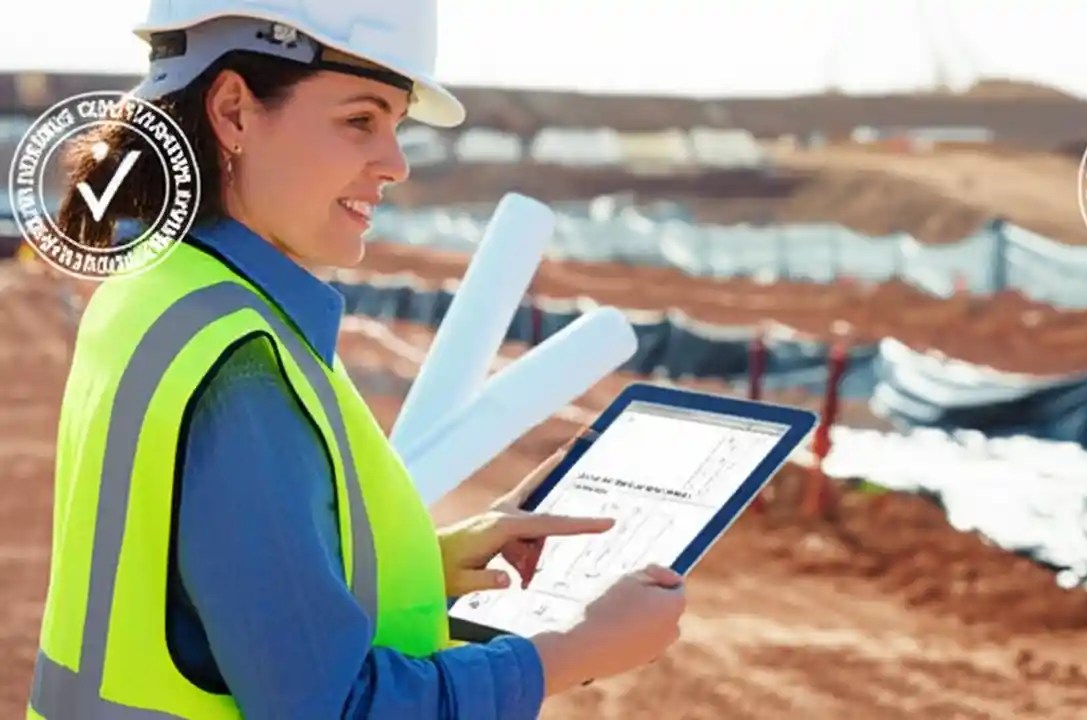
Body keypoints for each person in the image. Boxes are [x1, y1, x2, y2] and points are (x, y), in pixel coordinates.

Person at [29, 2, 686, 718]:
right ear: (233, 112)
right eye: (360, 121)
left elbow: (203, 596)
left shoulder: (163, 290)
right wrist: (574, 651)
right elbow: (329, 707)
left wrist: (424, 567)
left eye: (396, 126)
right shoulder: (244, 366)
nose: (396, 164)